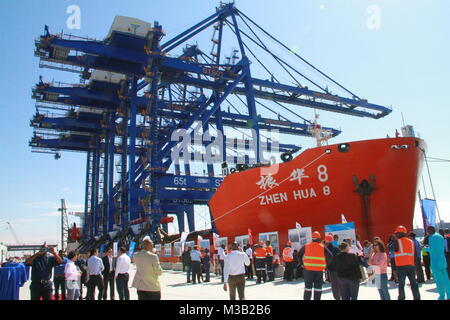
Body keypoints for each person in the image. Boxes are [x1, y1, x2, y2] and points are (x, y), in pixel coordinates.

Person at [387, 226, 421, 300]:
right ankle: (417, 297)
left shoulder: (397, 241)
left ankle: (401, 297)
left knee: (401, 284)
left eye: (396, 233)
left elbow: (390, 248)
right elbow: (414, 254)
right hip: (411, 266)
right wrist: (413, 263)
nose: (396, 234)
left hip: (401, 266)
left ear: (400, 233)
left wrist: (391, 241)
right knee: (413, 283)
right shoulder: (411, 242)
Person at [298, 232, 333, 300]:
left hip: (308, 270)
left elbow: (299, 255)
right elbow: (330, 256)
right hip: (319, 271)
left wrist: (302, 264)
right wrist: (325, 265)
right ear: (319, 238)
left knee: (308, 288)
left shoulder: (306, 246)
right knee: (318, 288)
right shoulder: (322, 247)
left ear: (312, 238)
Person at [423, 226, 450, 300]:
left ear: (430, 230)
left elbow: (432, 249)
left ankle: (441, 296)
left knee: (439, 281)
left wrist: (423, 248)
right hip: (442, 261)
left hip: (435, 262)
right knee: (446, 279)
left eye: (427, 231)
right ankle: (449, 295)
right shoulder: (440, 237)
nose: (427, 232)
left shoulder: (432, 237)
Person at [325, 234, 341, 300]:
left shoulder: (325, 249)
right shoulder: (337, 248)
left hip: (331, 269)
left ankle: (337, 298)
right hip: (338, 268)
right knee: (340, 283)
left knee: (334, 285)